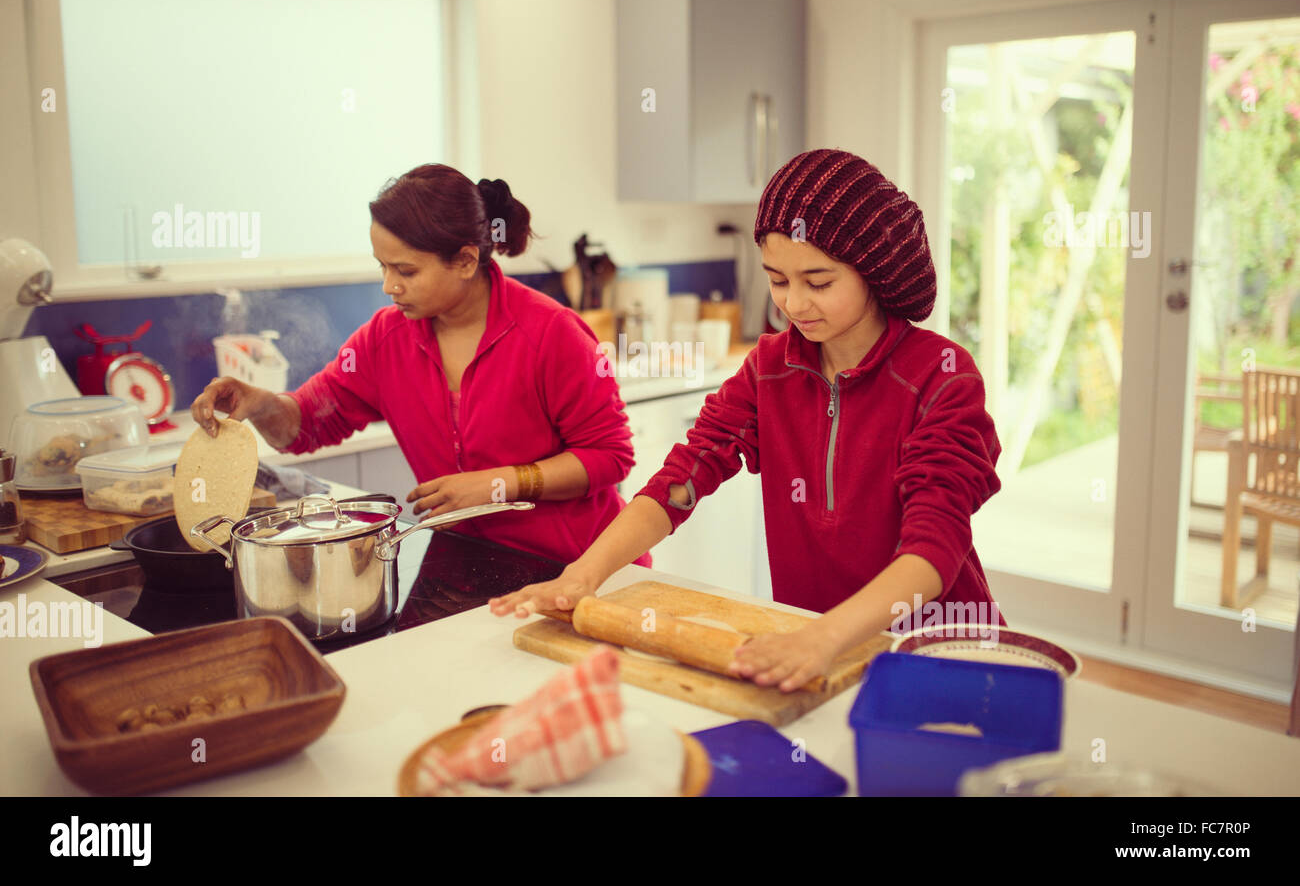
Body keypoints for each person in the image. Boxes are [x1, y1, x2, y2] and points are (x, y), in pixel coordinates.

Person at [490, 149, 1003, 689]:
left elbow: (935, 547)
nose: (793, 304)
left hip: (939, 655)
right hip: (812, 650)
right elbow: (682, 479)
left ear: (874, 270)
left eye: (818, 282)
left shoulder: (941, 377)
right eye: (778, 280)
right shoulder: (769, 368)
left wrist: (825, 638)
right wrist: (582, 575)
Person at [191, 164, 649, 568]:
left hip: (582, 565)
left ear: (465, 260)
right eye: (383, 267)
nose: (389, 286)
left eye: (406, 271)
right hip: (468, 562)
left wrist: (499, 484)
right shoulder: (384, 339)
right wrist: (261, 404)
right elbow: (308, 422)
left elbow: (610, 457)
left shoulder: (552, 334)